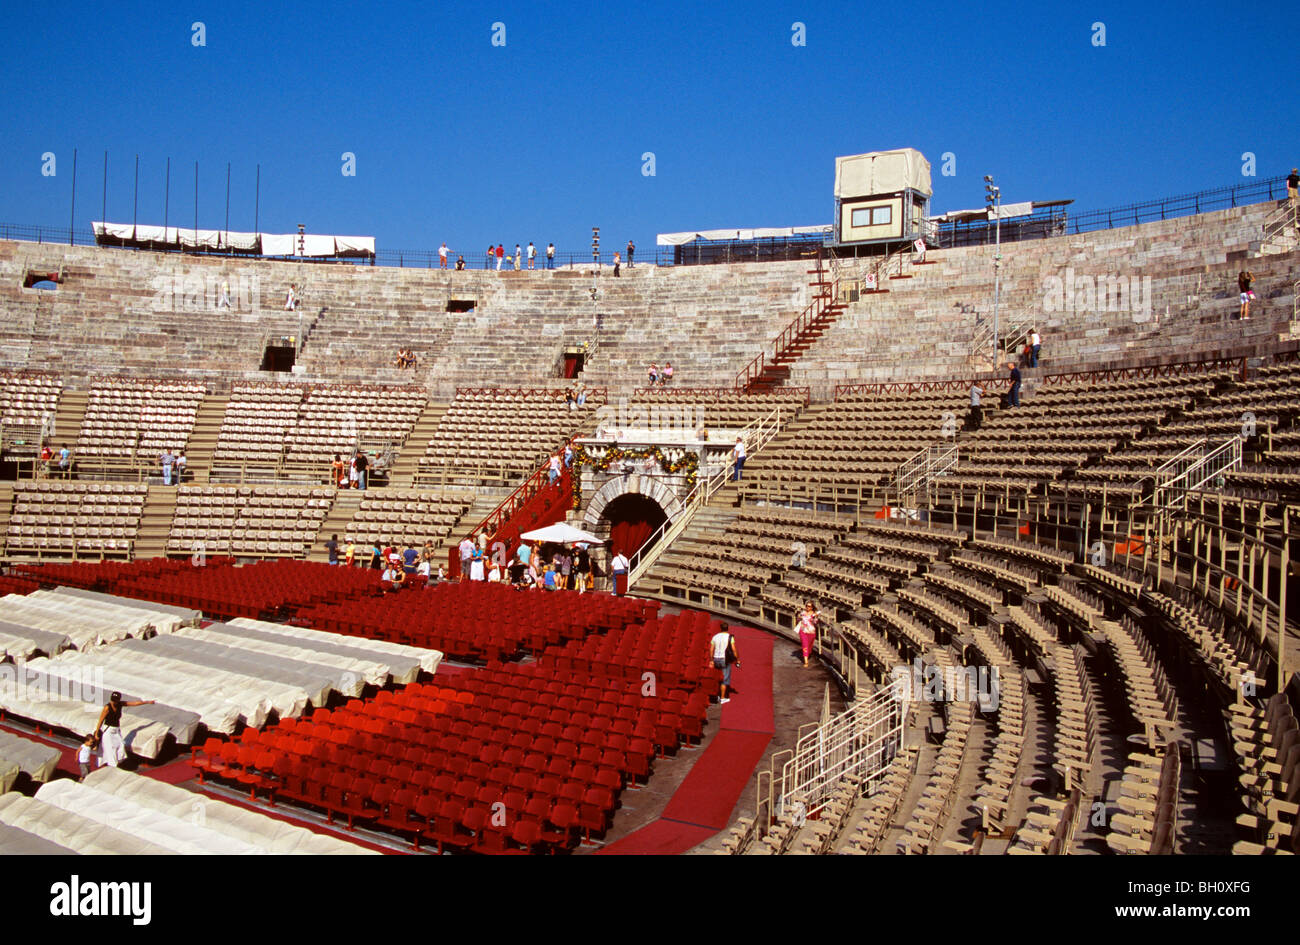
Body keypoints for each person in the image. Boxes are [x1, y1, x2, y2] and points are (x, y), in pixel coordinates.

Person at [95, 691, 156, 768]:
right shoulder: (107, 707)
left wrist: (147, 702)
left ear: (118, 700)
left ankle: (114, 763)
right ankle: (113, 766)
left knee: (120, 746)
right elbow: (101, 720)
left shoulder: (120, 704)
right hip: (108, 730)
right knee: (111, 748)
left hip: (116, 729)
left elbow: (134, 704)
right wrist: (97, 732)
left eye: (115, 700)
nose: (113, 702)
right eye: (113, 700)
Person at [709, 627, 739, 704]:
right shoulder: (730, 637)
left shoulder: (715, 636)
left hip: (716, 659)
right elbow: (734, 649)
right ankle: (722, 698)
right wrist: (737, 659)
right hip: (724, 660)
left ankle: (716, 695)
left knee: (716, 678)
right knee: (724, 679)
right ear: (727, 629)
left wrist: (711, 660)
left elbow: (711, 649)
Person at [797, 602, 820, 667]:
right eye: (807, 606)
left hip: (811, 631)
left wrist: (814, 617)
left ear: (812, 607)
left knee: (809, 646)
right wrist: (799, 618)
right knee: (805, 645)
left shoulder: (814, 614)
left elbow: (815, 622)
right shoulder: (803, 613)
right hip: (803, 631)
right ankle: (806, 662)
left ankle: (807, 653)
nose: (807, 607)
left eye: (809, 606)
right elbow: (798, 619)